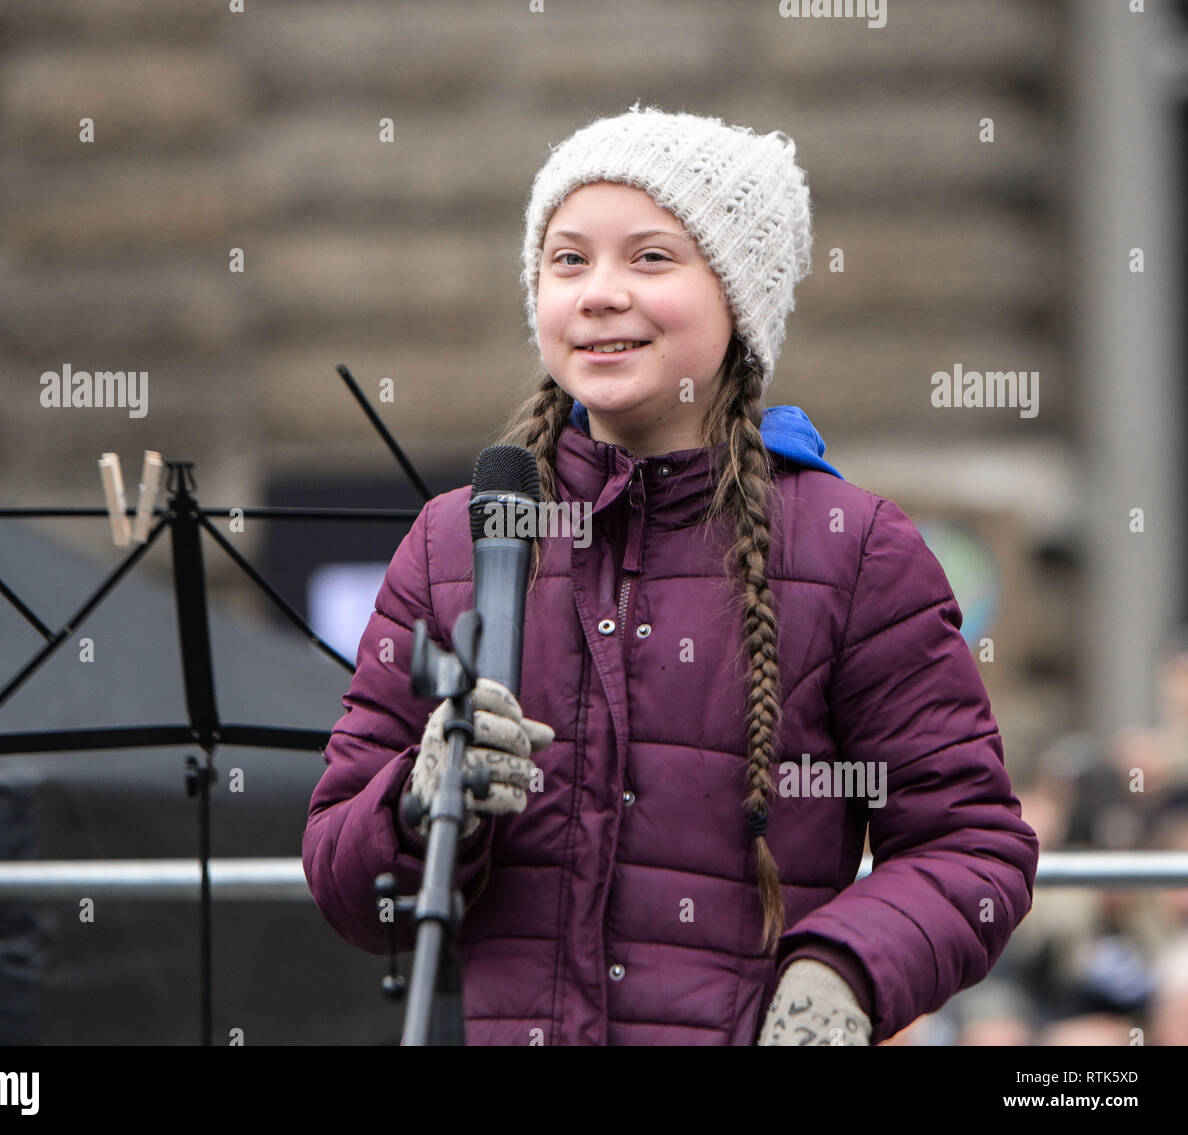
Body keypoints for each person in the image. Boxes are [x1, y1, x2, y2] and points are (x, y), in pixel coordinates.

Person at [302, 103, 1039, 1046]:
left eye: (651, 257)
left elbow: (973, 846)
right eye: (568, 259)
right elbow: (342, 880)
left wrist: (840, 972)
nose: (600, 292)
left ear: (740, 300)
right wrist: (416, 803)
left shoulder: (856, 550)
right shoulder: (455, 543)